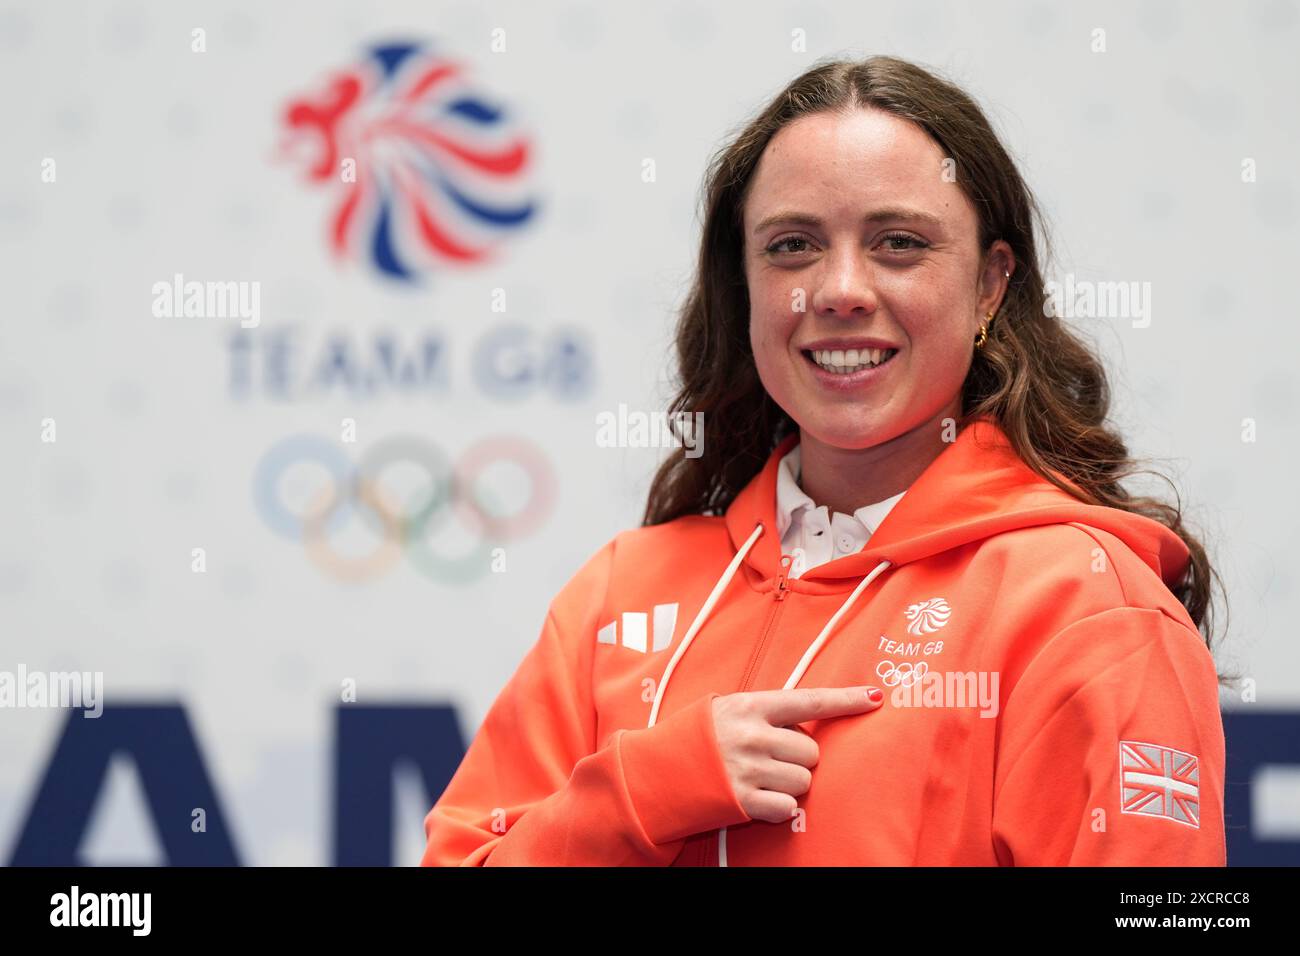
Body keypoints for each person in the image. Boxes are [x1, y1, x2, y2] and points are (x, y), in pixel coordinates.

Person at [420, 55, 1228, 866]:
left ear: (989, 285)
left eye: (899, 243)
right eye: (794, 245)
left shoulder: (1087, 607)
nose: (839, 290)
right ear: (743, 289)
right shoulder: (618, 594)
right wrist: (646, 789)